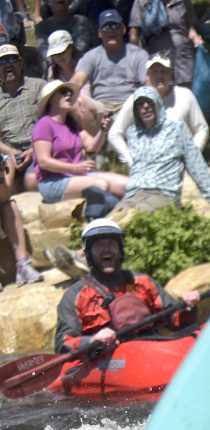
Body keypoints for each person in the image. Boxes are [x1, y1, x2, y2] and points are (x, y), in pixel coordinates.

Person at [54, 218, 200, 352]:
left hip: (149, 350)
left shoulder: (143, 282)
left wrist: (188, 307)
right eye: (99, 245)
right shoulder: (75, 295)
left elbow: (177, 322)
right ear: (89, 254)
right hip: (105, 360)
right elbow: (63, 345)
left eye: (111, 244)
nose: (106, 249)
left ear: (120, 250)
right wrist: (92, 340)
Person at [115, 84, 210, 211]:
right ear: (136, 110)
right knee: (112, 221)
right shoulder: (133, 134)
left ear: (158, 104)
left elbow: (196, 164)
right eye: (140, 104)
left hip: (163, 193)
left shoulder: (176, 128)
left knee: (137, 214)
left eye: (149, 102)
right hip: (133, 194)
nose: (145, 107)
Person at [31, 78, 127, 211]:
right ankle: (99, 217)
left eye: (70, 92)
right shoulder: (44, 125)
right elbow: (43, 162)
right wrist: (75, 168)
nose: (69, 95)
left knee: (127, 185)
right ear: (51, 99)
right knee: (100, 185)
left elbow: (92, 147)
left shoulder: (72, 124)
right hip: (52, 182)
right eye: (63, 92)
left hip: (76, 177)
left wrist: (103, 130)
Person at [109, 52, 207, 163]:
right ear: (148, 75)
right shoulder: (136, 99)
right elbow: (114, 133)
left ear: (171, 73)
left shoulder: (185, 95)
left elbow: (201, 129)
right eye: (154, 72)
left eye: (163, 71)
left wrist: (193, 156)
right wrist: (131, 162)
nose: (159, 75)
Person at [0, 45, 41, 286]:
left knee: (30, 180)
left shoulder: (37, 86)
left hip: (38, 148)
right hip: (8, 154)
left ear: (22, 63)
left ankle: (22, 264)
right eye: (2, 62)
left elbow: (50, 121)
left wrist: (34, 149)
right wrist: (11, 152)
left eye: (12, 60)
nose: (8, 66)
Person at [71, 9, 149, 118]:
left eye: (115, 26)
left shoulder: (139, 54)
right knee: (81, 103)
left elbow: (148, 83)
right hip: (100, 106)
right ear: (99, 33)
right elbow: (77, 81)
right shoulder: (91, 56)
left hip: (129, 104)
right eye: (106, 27)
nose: (111, 31)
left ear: (123, 29)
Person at [129, 0, 200, 84]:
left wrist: (196, 39)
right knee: (162, 90)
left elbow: (190, 26)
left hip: (183, 58)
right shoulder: (141, 2)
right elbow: (134, 34)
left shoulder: (183, 1)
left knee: (185, 91)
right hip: (158, 60)